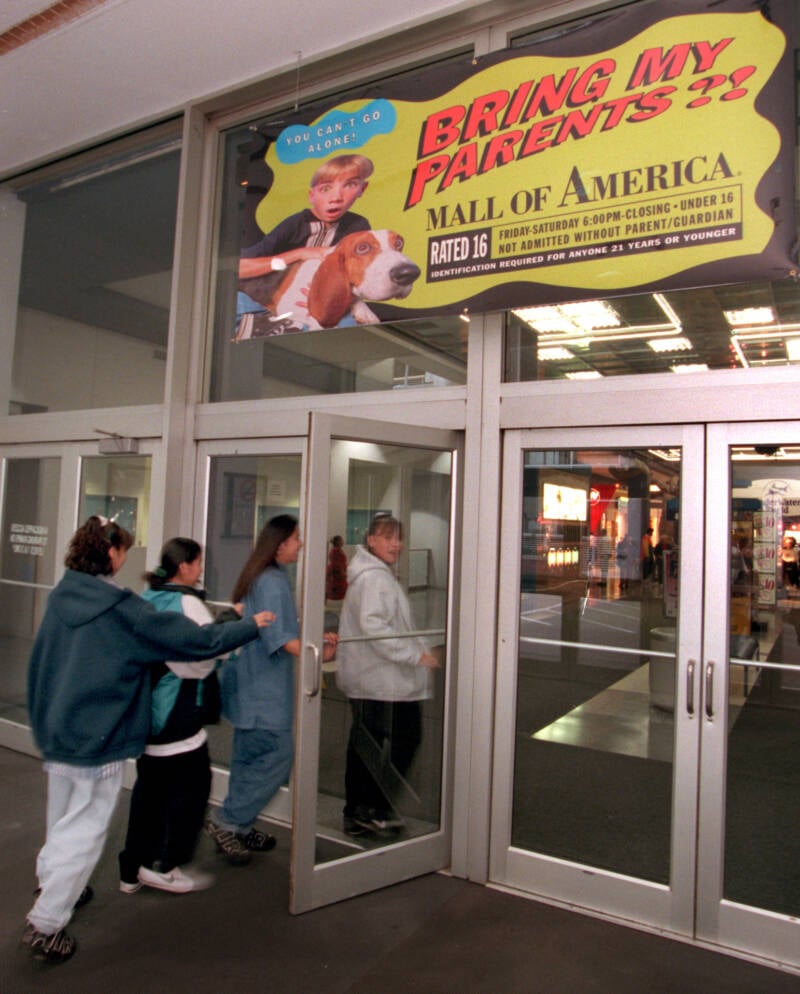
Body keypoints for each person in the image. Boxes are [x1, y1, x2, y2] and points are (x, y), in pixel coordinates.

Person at [23, 517, 272, 963]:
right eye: (123, 550)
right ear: (112, 554)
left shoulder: (63, 594)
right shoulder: (120, 609)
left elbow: (42, 661)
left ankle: (56, 884)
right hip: (97, 737)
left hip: (58, 729)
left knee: (61, 818)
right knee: (85, 830)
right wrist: (249, 625)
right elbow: (195, 644)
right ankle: (46, 923)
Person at [206, 515, 338, 864]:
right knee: (278, 756)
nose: (300, 544)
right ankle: (229, 821)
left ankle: (238, 826)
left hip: (248, 684)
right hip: (263, 691)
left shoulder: (263, 576)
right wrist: (321, 654)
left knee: (247, 760)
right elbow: (281, 639)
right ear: (280, 544)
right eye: (296, 538)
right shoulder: (273, 582)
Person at [118, 537, 239, 895]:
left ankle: (131, 869)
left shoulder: (148, 596)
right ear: (184, 566)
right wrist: (236, 622)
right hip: (177, 715)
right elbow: (205, 655)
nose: (201, 569)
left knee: (148, 794)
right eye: (198, 562)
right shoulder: (187, 604)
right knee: (190, 793)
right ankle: (164, 865)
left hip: (150, 715)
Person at [336, 514, 440, 836]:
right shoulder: (373, 579)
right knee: (400, 740)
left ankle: (363, 812)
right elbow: (375, 628)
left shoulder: (375, 575)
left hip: (374, 679)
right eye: (387, 537)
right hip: (379, 681)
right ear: (370, 540)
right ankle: (369, 810)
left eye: (398, 537)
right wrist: (414, 655)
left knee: (368, 745)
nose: (396, 544)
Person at [239, 153, 374, 280]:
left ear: (362, 189)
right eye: (325, 189)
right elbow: (241, 267)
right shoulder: (295, 224)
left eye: (350, 185)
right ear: (311, 196)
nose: (336, 197)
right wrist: (299, 254)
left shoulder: (358, 225)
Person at [325, 534, 348, 602]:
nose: (343, 541)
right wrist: (343, 573)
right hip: (337, 575)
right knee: (339, 593)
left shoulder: (337, 550)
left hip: (339, 574)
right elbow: (337, 564)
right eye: (341, 540)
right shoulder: (335, 551)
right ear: (338, 542)